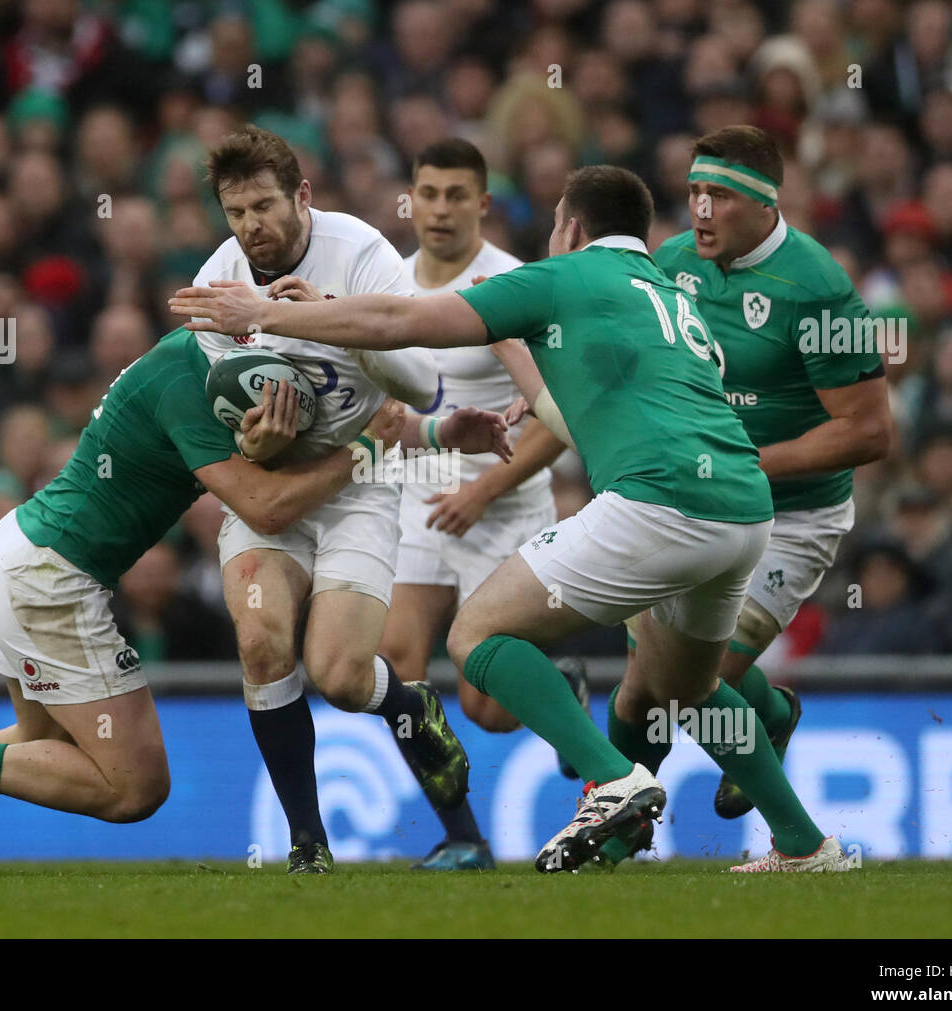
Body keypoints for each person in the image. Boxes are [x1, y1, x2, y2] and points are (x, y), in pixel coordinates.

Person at [172, 164, 852, 873]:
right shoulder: (670, 296)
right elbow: (572, 417)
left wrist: (267, 314)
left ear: (571, 228)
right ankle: (806, 844)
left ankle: (613, 779)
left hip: (660, 502)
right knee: (689, 686)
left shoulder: (559, 278)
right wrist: (516, 357)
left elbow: (401, 321)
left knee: (478, 633)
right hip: (745, 510)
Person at [0, 325, 508, 875]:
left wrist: (440, 435)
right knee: (135, 787)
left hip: (23, 554)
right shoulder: (191, 388)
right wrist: (366, 445)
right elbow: (265, 506)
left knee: (41, 742)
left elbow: (296, 451)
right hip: (52, 583)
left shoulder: (194, 359)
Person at [188, 126, 506, 873]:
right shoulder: (217, 285)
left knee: (339, 674)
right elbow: (242, 444)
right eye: (236, 212)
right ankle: (308, 843)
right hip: (278, 485)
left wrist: (326, 313)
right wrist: (262, 440)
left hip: (362, 478)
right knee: (262, 638)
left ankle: (407, 704)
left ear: (302, 195)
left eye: (264, 205)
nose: (251, 226)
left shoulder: (361, 252)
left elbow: (421, 380)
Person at [629, 125, 893, 829]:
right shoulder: (674, 260)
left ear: (765, 203)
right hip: (696, 504)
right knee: (657, 680)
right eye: (692, 193)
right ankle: (767, 717)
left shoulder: (820, 287)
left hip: (793, 517)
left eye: (719, 195)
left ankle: (780, 830)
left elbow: (870, 430)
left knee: (690, 682)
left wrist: (742, 463)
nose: (701, 211)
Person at [381, 139, 575, 871]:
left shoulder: (512, 285)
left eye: (456, 194)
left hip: (504, 503)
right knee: (394, 666)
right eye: (428, 192)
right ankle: (463, 833)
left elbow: (562, 417)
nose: (439, 208)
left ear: (483, 204)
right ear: (411, 197)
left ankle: (563, 689)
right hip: (417, 499)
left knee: (487, 707)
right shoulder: (391, 284)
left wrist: (482, 487)